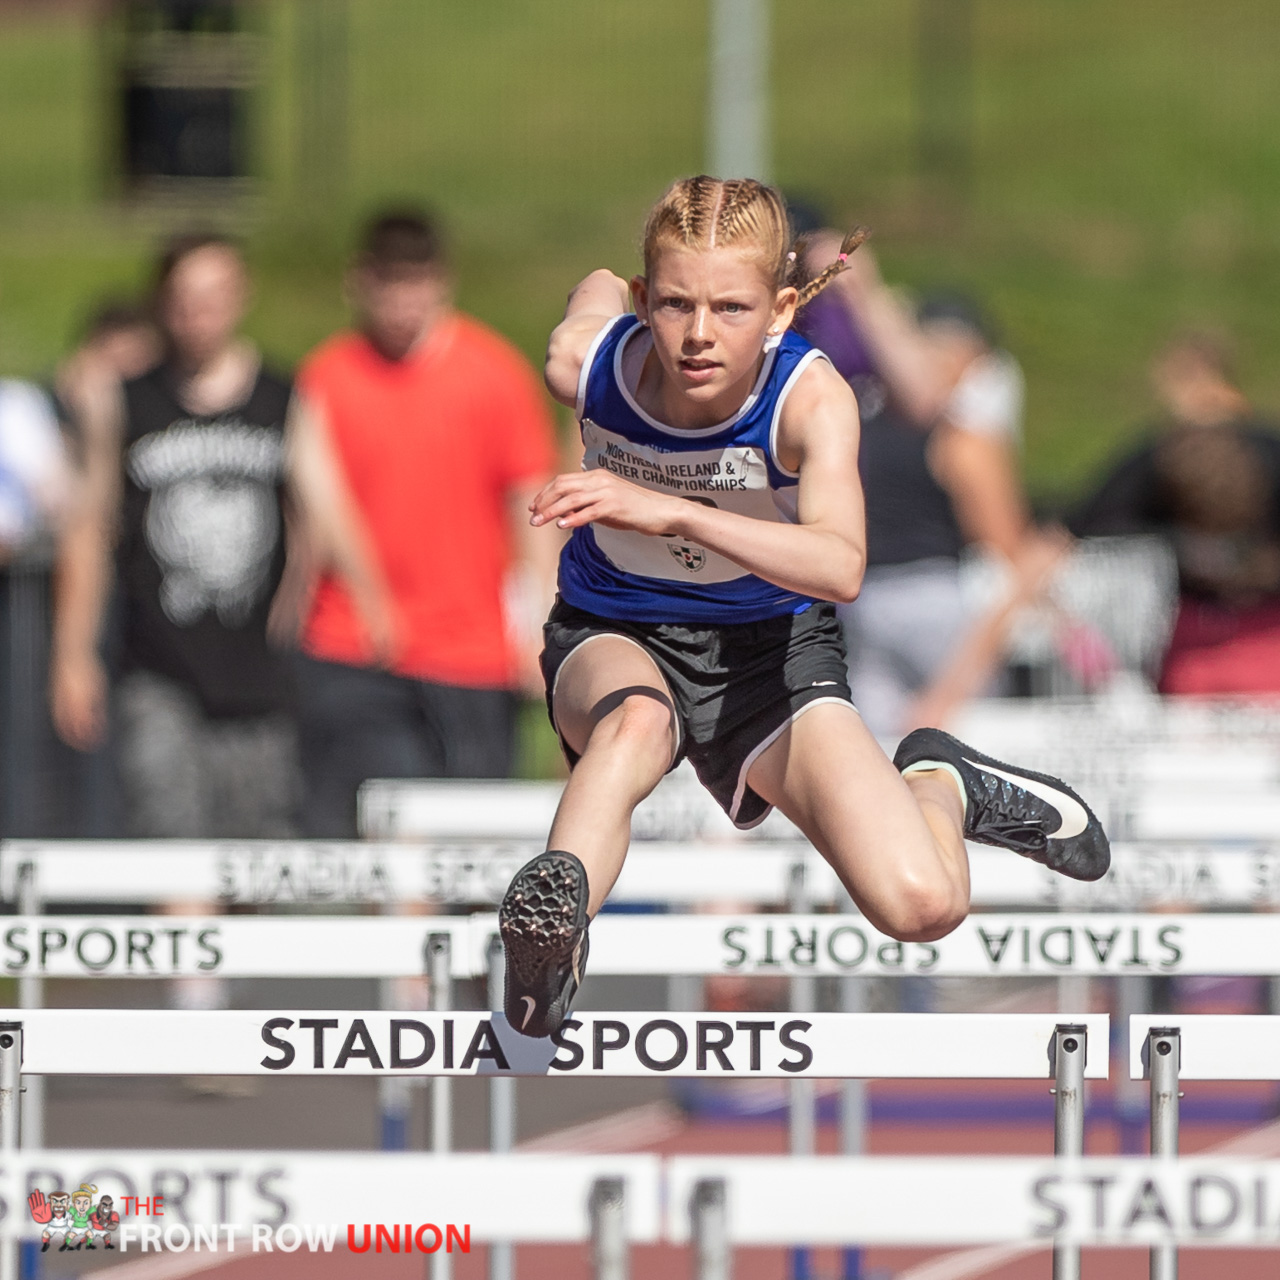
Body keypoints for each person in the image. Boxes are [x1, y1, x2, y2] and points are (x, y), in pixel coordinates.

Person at [499, 176, 1110, 1038]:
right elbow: (592, 289)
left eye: (732, 308)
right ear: (642, 300)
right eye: (674, 304)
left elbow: (840, 564)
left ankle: (940, 782)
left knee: (922, 904)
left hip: (771, 648)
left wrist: (673, 511)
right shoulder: (588, 365)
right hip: (618, 629)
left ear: (782, 310)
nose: (699, 335)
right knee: (634, 723)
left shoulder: (808, 399)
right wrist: (597, 298)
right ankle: (551, 935)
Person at [290, 210, 559, 837]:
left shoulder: (493, 375)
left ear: (442, 282)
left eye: (414, 281)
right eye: (389, 282)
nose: (402, 301)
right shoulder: (327, 379)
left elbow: (530, 508)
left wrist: (538, 623)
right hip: (356, 643)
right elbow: (315, 515)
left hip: (472, 651)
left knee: (472, 843)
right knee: (372, 835)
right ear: (360, 283)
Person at [50, 233, 299, 838]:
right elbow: (88, 530)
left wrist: (338, 599)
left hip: (260, 675)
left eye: (213, 295)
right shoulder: (126, 401)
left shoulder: (285, 399)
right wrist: (73, 655)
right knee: (170, 841)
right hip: (156, 668)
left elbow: (325, 517)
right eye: (185, 297)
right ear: (162, 302)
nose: (198, 313)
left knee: (259, 854)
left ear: (241, 296)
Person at [1068, 333, 1280, 696]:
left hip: (1259, 634)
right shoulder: (1151, 461)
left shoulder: (1265, 454)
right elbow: (1073, 534)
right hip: (1196, 636)